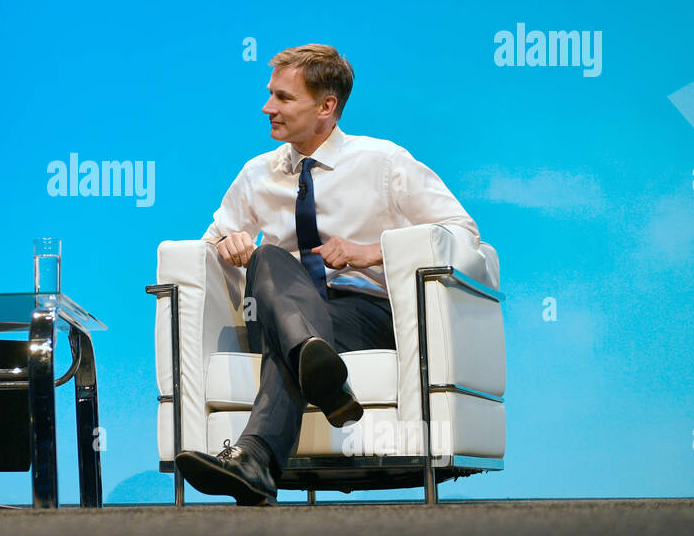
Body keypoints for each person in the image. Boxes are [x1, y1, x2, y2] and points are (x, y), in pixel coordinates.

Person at [176, 44, 480, 506]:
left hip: (364, 316)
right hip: (282, 312)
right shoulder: (256, 174)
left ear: (326, 106)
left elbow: (462, 232)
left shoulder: (383, 163)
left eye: (282, 97)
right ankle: (320, 374)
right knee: (268, 258)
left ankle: (256, 458)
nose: (267, 107)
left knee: (290, 342)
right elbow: (210, 242)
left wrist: (369, 252)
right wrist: (227, 244)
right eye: (269, 95)